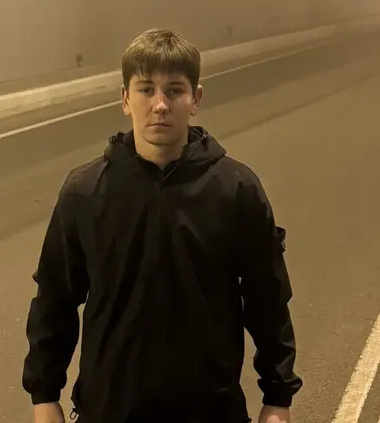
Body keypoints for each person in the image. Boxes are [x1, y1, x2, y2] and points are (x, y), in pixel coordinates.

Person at [22, 28, 303, 423]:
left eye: (174, 90)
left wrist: (278, 396)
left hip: (211, 412)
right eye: (145, 90)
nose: (160, 105)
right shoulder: (85, 192)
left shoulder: (235, 189)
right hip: (109, 411)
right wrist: (44, 394)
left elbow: (267, 299)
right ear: (125, 99)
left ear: (195, 99)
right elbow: (55, 299)